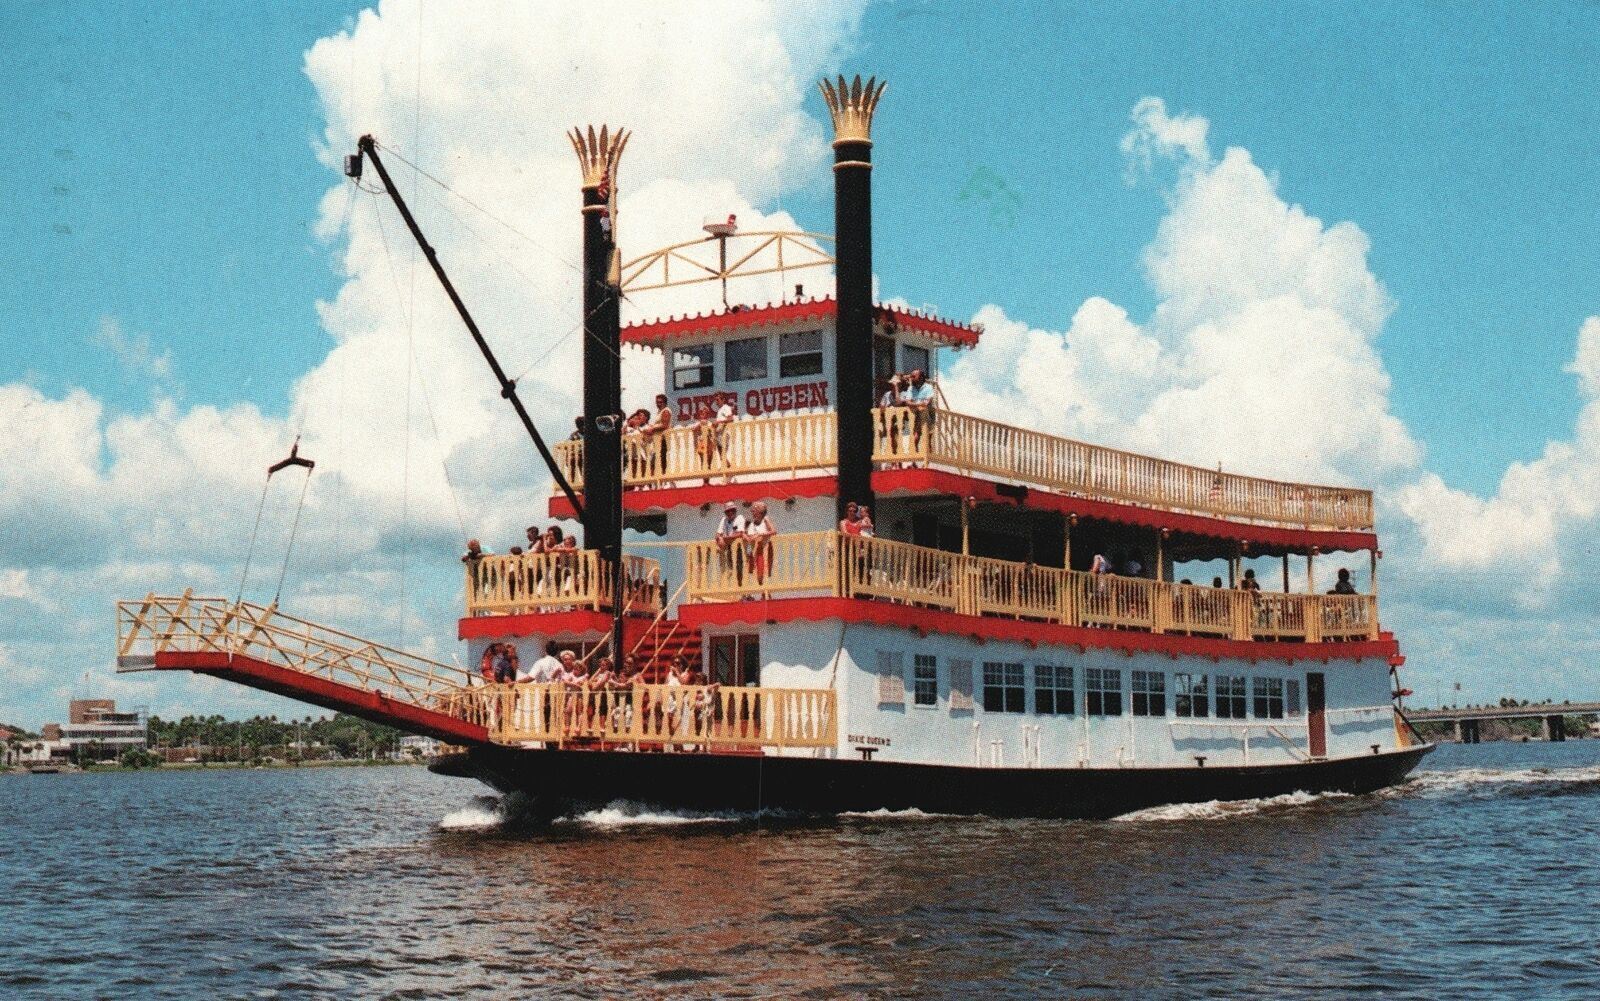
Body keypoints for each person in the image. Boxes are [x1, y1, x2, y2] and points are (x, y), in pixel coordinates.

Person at [743, 500, 777, 592]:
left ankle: (765, 593)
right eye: (753, 511)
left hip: (763, 549)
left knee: (763, 573)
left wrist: (760, 535)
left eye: (755, 511)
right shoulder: (751, 523)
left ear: (760, 512)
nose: (753, 513)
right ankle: (753, 593)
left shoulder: (765, 519)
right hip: (753, 551)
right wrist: (746, 536)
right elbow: (745, 534)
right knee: (752, 572)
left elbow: (773, 531)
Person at [903, 368, 936, 452]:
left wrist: (916, 404)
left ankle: (927, 448)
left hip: (927, 414)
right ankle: (916, 450)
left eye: (914, 376)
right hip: (916, 414)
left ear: (921, 378)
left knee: (925, 432)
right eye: (911, 376)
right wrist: (919, 404)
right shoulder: (911, 388)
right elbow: (908, 402)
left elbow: (927, 402)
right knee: (917, 431)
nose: (911, 378)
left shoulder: (928, 387)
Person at [714, 502, 746, 584]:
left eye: (732, 510)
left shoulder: (740, 518)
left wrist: (724, 538)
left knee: (740, 571)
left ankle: (741, 590)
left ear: (735, 510)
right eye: (728, 511)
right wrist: (721, 538)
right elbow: (718, 534)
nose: (730, 512)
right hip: (728, 549)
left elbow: (740, 533)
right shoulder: (724, 520)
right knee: (729, 569)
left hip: (739, 549)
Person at [692, 400, 716, 485]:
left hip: (709, 443)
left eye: (705, 413)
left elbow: (713, 431)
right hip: (701, 443)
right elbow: (693, 429)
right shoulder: (698, 423)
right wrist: (700, 424)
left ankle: (707, 481)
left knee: (709, 462)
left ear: (708, 414)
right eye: (701, 413)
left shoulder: (709, 423)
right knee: (703, 461)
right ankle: (704, 481)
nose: (703, 414)